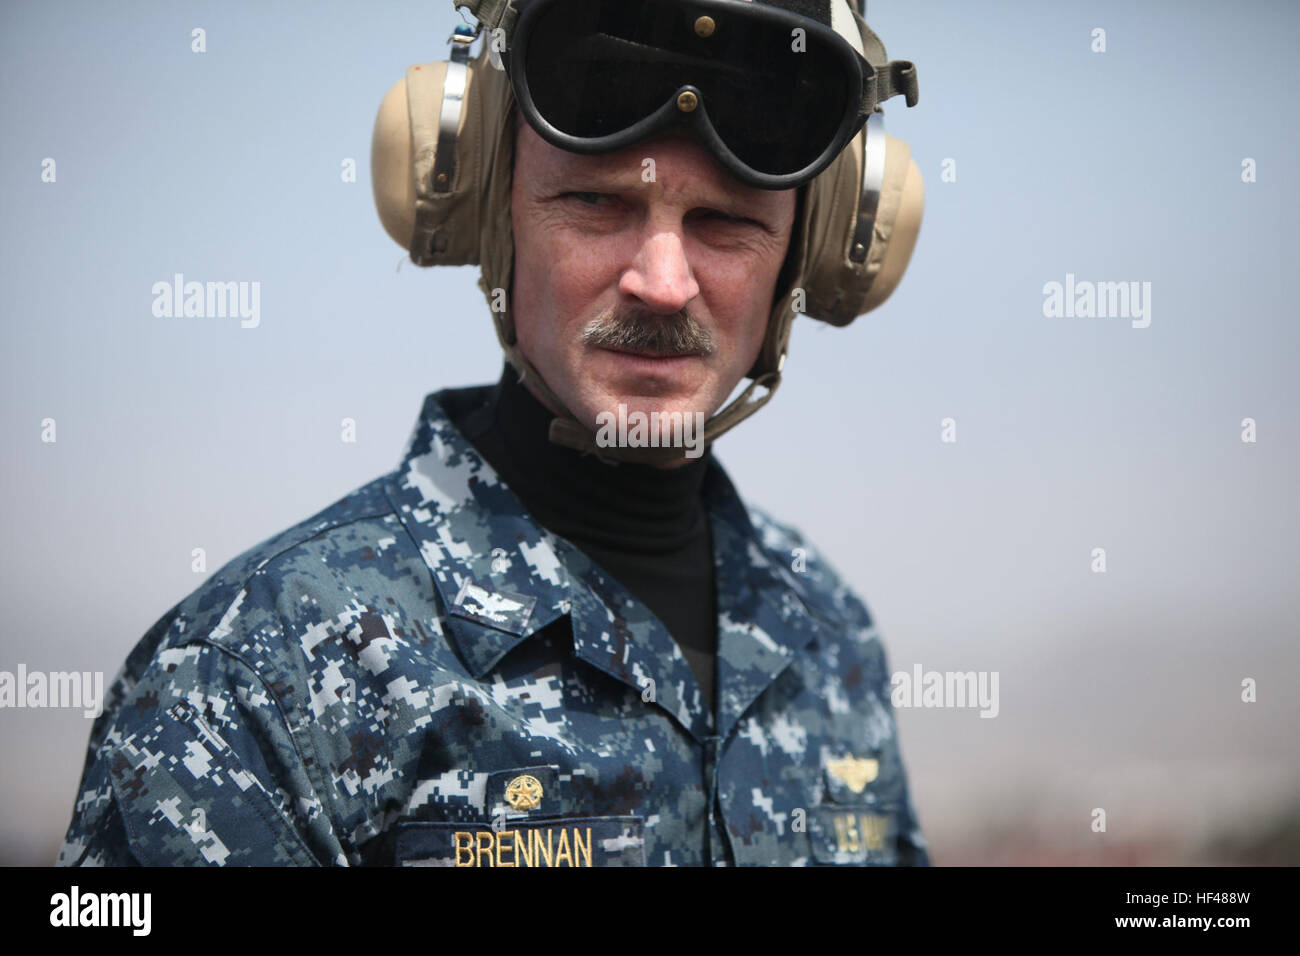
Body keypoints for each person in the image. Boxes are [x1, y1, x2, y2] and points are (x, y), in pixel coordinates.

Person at [58, 0, 929, 866]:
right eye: (595, 203)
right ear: (485, 204)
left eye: (726, 223)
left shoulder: (826, 636)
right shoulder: (254, 673)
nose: (663, 284)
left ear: (808, 253)